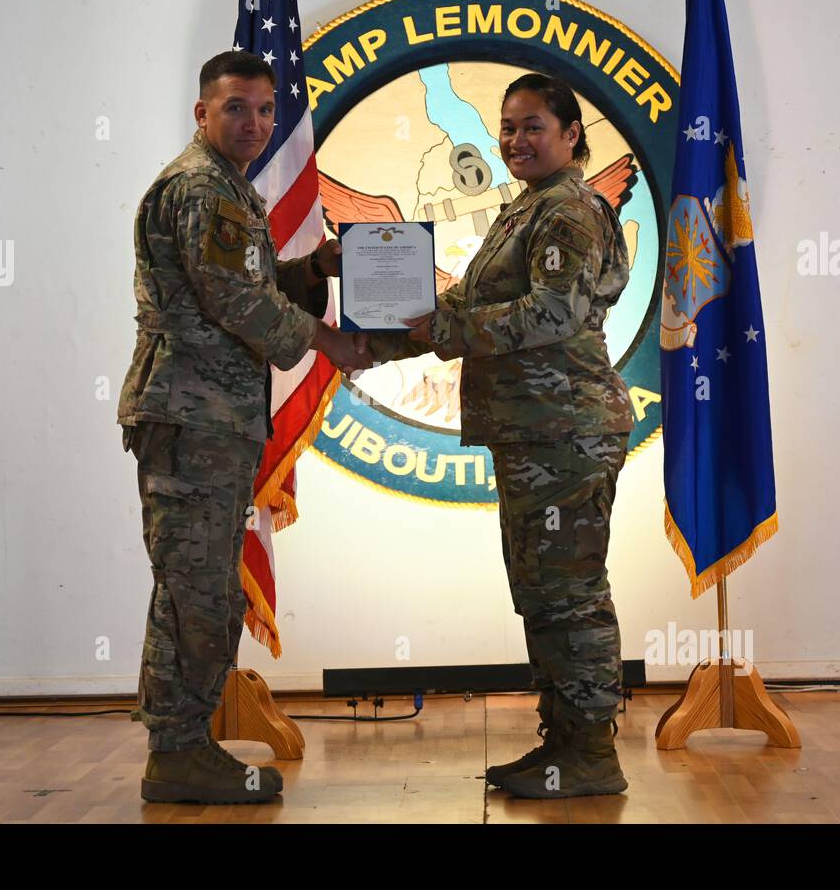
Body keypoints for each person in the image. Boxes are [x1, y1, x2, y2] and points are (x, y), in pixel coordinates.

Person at [369, 74, 635, 798]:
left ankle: (589, 754)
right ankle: (564, 741)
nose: (516, 140)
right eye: (507, 127)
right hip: (535, 434)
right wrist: (372, 337)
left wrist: (442, 328)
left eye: (534, 126)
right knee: (543, 591)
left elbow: (553, 314)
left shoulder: (571, 210)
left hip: (566, 433)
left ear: (572, 133)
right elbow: (457, 304)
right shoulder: (528, 209)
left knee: (570, 593)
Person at [118, 51, 370, 804]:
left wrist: (319, 264)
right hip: (192, 416)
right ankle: (177, 751)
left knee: (200, 589)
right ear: (203, 113)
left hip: (211, 416)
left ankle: (184, 744)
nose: (255, 124)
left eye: (265, 110)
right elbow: (233, 300)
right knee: (195, 593)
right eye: (236, 108)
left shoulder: (228, 188)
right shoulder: (202, 186)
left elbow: (238, 287)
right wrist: (330, 342)